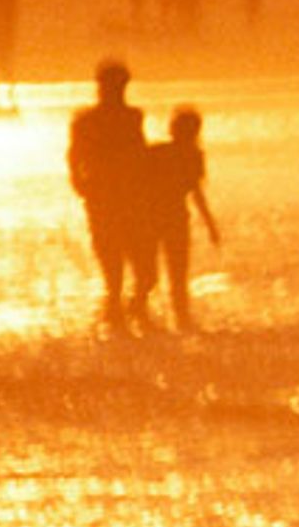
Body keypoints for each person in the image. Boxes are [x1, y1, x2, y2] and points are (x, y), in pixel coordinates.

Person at [66, 60, 152, 333]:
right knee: (111, 259)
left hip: (131, 194)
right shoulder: (85, 120)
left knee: (145, 268)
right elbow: (74, 154)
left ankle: (132, 306)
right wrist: (79, 182)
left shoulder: (133, 117)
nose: (116, 91)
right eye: (112, 86)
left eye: (120, 86)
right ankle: (116, 311)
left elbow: (140, 153)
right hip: (102, 194)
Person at [141, 106, 222, 332]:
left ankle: (175, 319)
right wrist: (210, 225)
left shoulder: (160, 152)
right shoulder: (180, 154)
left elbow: (195, 192)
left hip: (164, 219)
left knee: (165, 276)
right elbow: (196, 192)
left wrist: (210, 225)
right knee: (166, 276)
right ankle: (171, 318)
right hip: (164, 218)